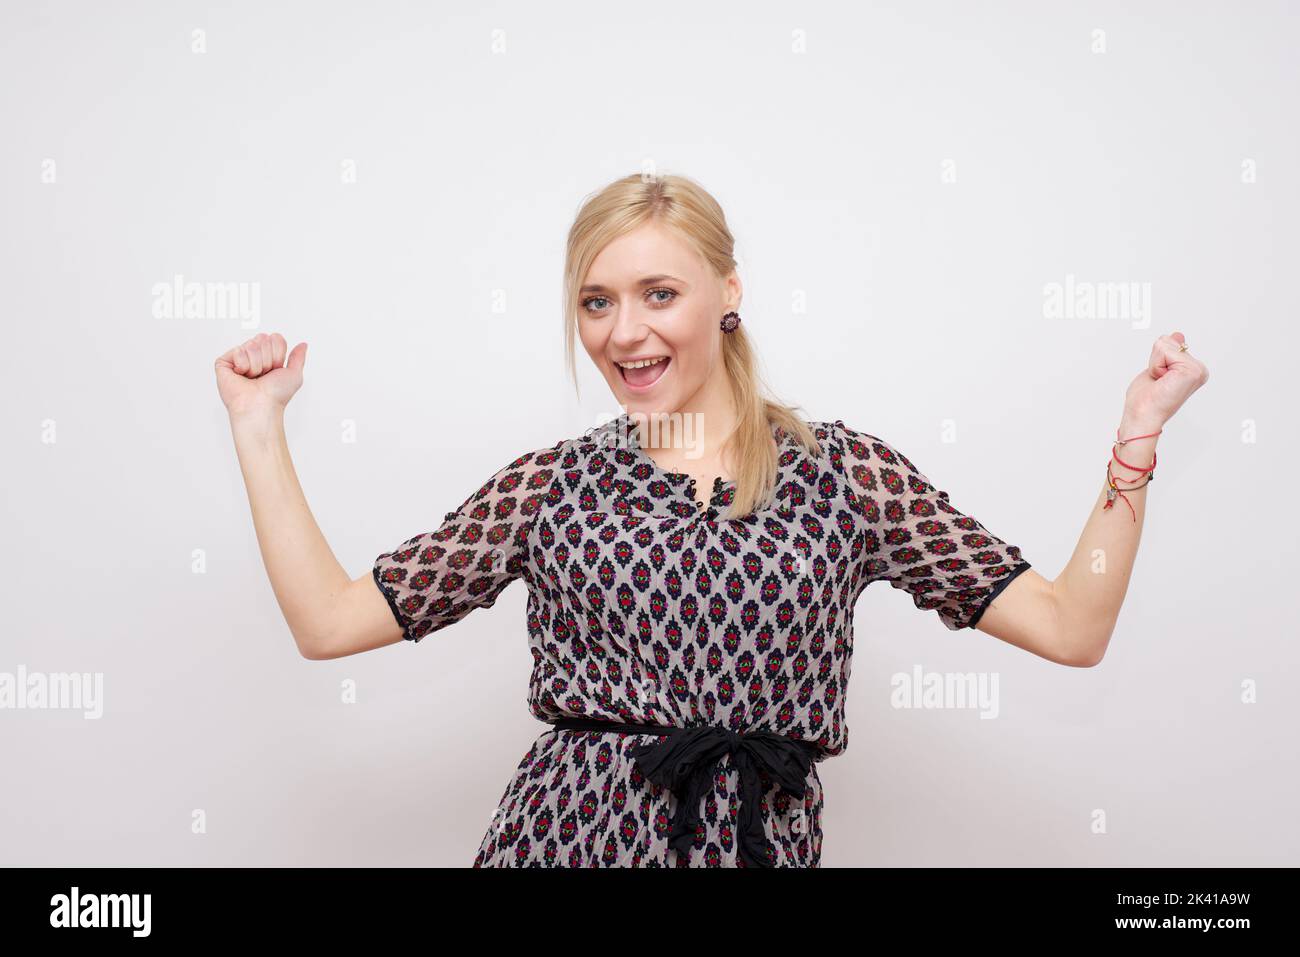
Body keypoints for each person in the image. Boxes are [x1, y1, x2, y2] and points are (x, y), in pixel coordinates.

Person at [213, 172, 1210, 867]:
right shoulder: (550, 488)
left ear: (727, 294)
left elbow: (1069, 628)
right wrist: (259, 427)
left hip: (753, 848)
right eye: (595, 302)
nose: (624, 331)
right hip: (566, 843)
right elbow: (330, 622)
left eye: (658, 293)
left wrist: (1134, 437)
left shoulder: (844, 477)